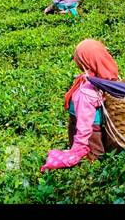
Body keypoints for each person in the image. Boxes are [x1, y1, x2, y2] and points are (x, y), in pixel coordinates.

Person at [40, 39, 120, 172]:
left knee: (91, 161)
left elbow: (84, 123)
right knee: (98, 155)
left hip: (88, 133)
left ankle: (92, 180)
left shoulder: (85, 92)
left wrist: (79, 145)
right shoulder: (105, 77)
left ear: (84, 62)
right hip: (97, 128)